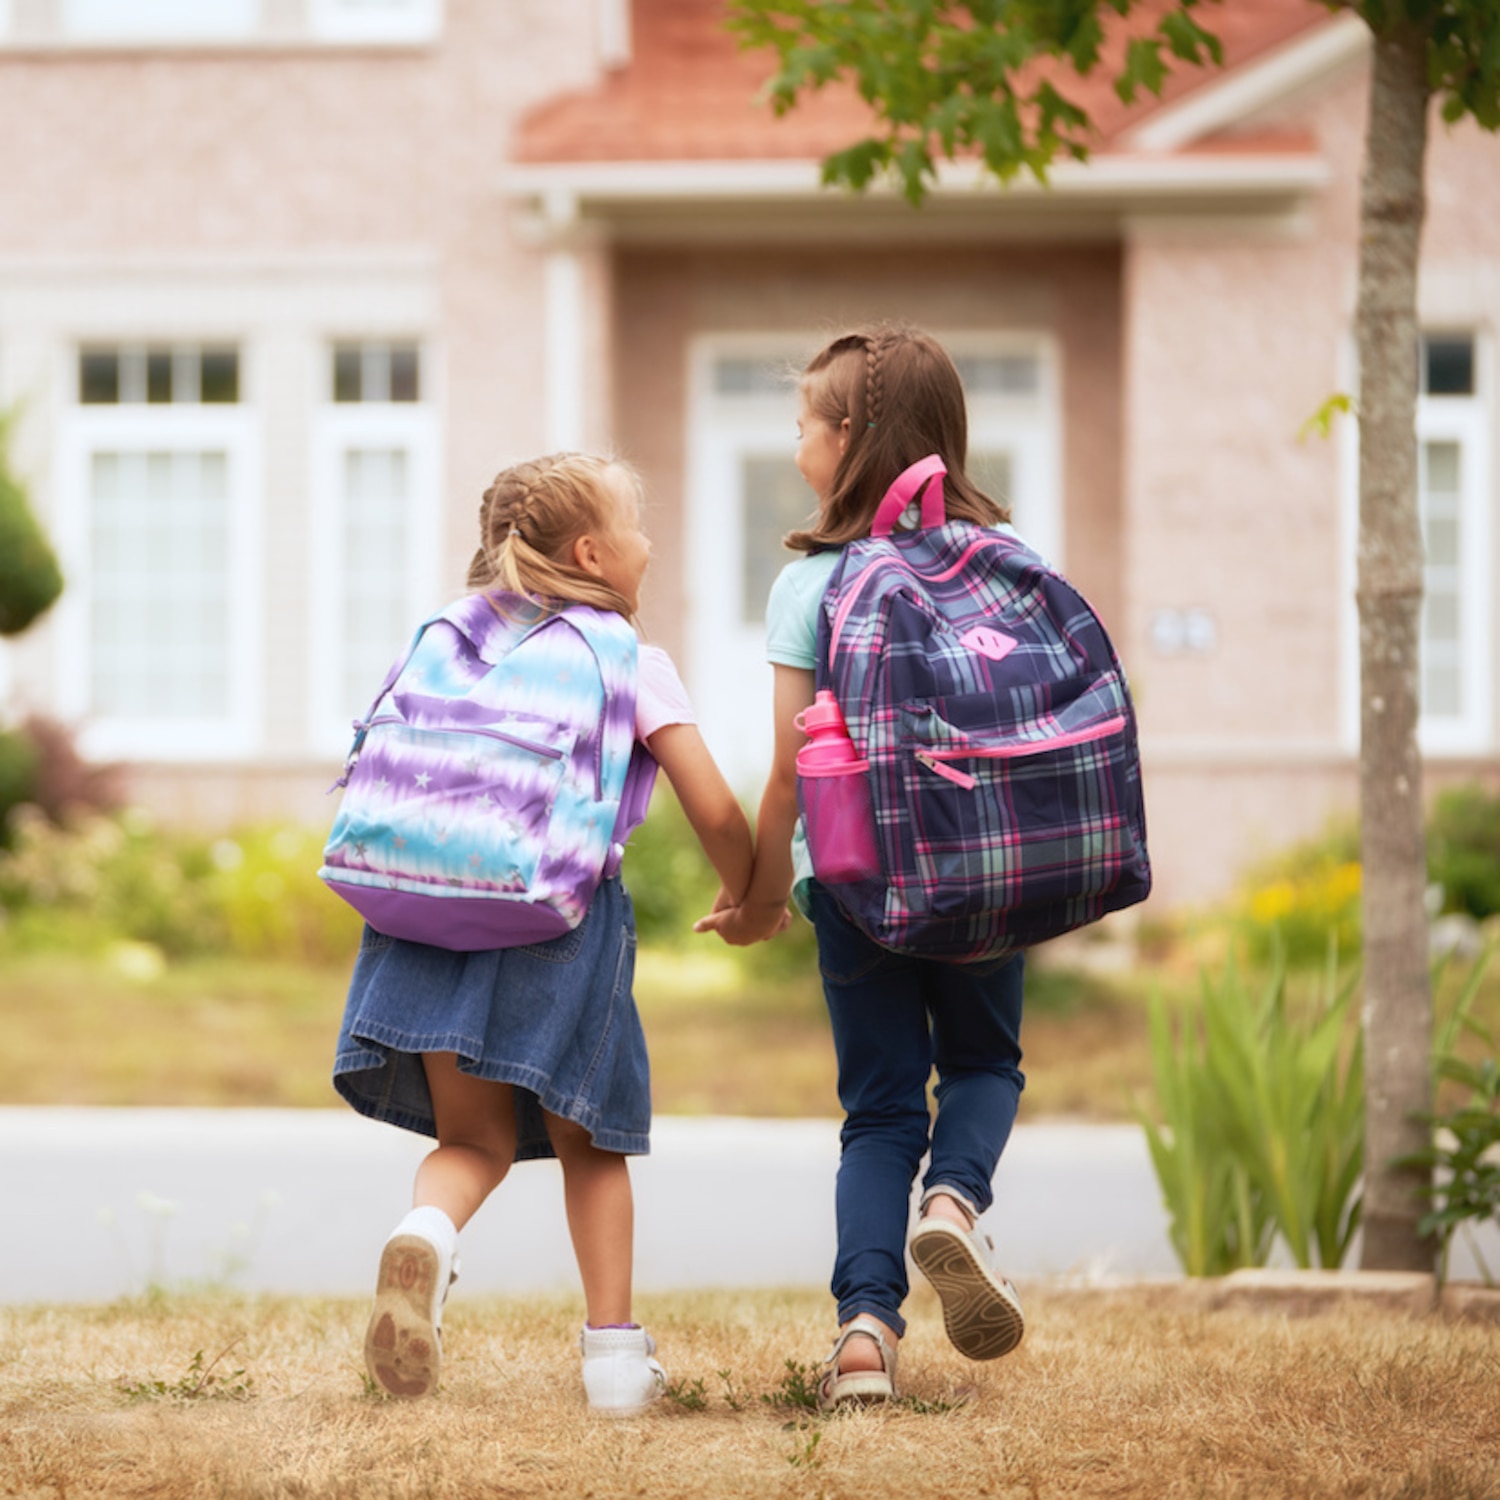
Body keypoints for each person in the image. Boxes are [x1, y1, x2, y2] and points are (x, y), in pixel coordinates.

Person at [334, 452, 754, 1414]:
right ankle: (614, 1363)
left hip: (426, 908)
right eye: (638, 525)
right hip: (558, 920)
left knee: (470, 1141)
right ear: (593, 551)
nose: (650, 543)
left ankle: (429, 1237)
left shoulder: (449, 636)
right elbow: (718, 812)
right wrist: (750, 893)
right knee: (589, 1143)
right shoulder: (626, 658)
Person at [697, 326, 1027, 1410]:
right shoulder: (1009, 560)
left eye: (804, 427)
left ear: (851, 438)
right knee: (982, 1068)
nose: (796, 447)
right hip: (985, 875)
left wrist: (753, 896)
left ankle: (863, 1340)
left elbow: (794, 766)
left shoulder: (814, 586)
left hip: (854, 879)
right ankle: (953, 1210)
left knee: (881, 1110)